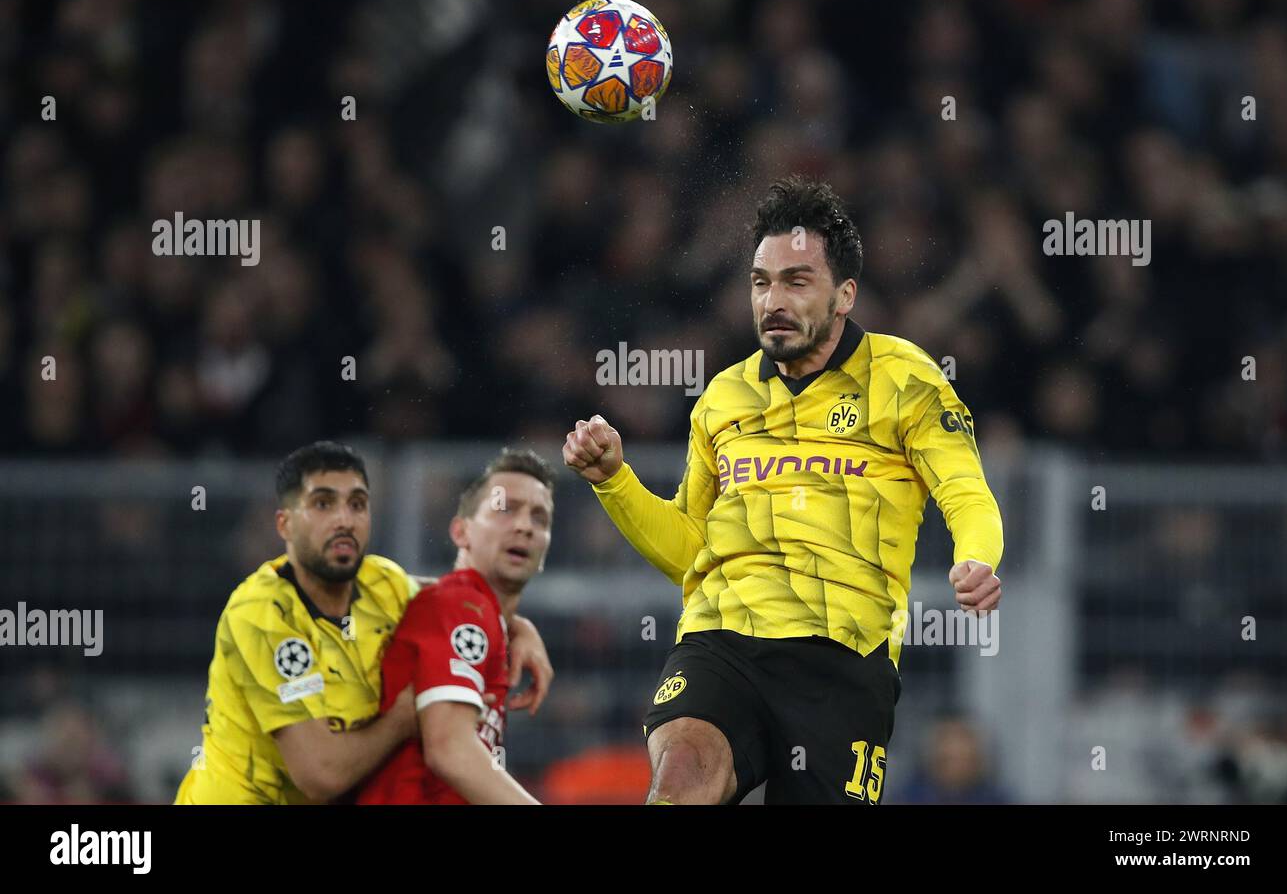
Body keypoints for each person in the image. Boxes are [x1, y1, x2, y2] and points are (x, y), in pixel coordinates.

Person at [563, 175, 1004, 804]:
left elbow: (965, 491)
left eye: (797, 281)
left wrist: (978, 555)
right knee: (683, 771)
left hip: (843, 656)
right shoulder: (723, 397)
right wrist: (614, 481)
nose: (773, 300)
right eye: (761, 281)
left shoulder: (905, 378)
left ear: (845, 294)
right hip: (722, 640)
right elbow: (691, 550)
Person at [175, 441, 553, 804]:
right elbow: (321, 776)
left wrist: (516, 626)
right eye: (323, 503)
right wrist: (405, 714)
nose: (344, 519)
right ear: (285, 524)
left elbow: (456, 602)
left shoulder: (382, 584)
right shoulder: (262, 616)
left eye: (357, 504)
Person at [358, 449, 554, 804]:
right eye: (505, 508)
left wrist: (515, 625)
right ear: (461, 532)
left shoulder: (481, 616)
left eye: (539, 519)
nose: (525, 526)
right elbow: (449, 749)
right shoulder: (462, 605)